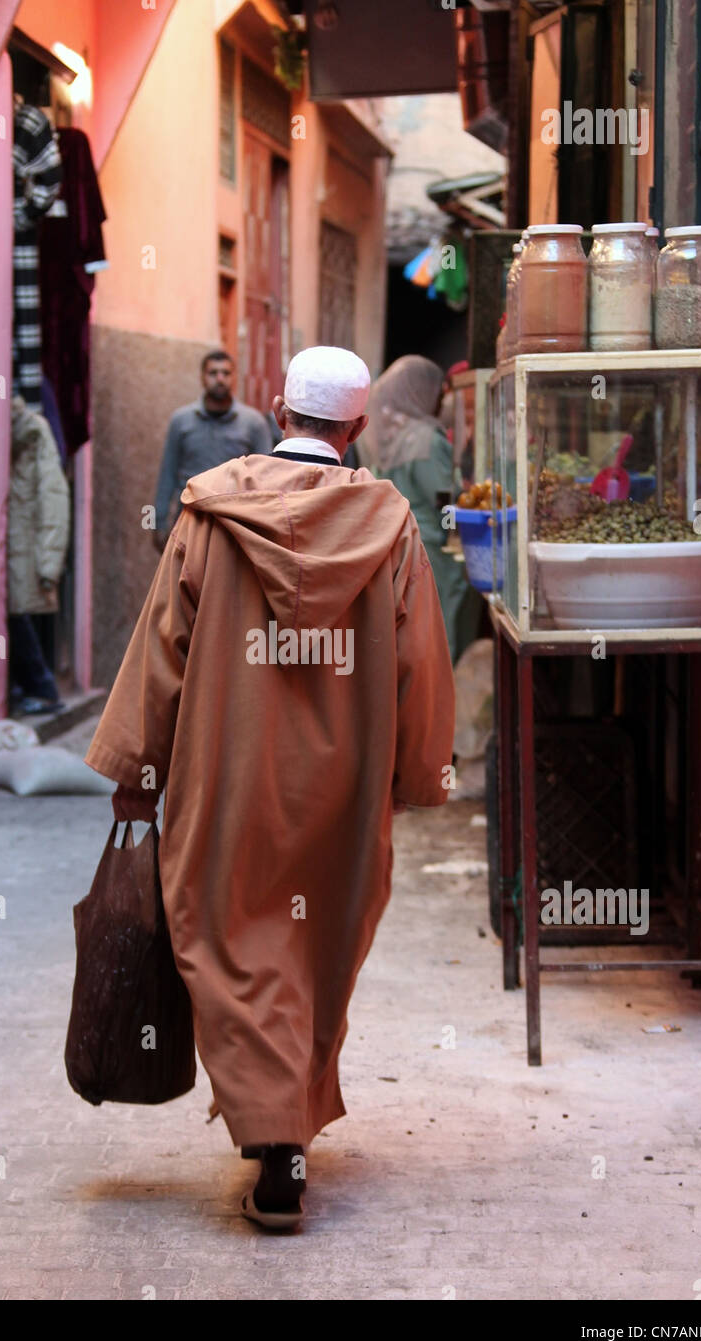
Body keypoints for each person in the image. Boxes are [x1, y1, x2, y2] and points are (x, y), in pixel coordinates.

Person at [85, 346, 455, 1231]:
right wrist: (411, 775)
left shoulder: (210, 516)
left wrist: (139, 775)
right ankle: (285, 1134)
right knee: (315, 949)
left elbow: (162, 648)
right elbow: (418, 664)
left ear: (278, 409)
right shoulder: (392, 526)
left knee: (236, 946)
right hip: (344, 794)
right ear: (358, 428)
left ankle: (273, 1136)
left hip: (228, 784)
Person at [368, 354, 482, 665]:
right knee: (442, 625)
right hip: (433, 549)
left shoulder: (393, 438)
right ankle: (442, 701)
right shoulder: (426, 440)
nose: (442, 401)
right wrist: (457, 537)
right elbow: (444, 499)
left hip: (400, 543)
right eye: (439, 393)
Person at [153, 350, 271, 549]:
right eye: (213, 373)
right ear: (202, 377)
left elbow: (267, 478)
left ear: (234, 377)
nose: (220, 379)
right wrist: (155, 523)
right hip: (189, 519)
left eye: (226, 373)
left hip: (234, 525)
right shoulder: (181, 420)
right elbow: (167, 474)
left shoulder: (254, 423)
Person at [8, 396, 70, 715]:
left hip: (25, 546)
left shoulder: (34, 431)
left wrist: (49, 561)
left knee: (19, 613)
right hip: (18, 545)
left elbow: (54, 497)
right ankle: (35, 688)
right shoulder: (12, 433)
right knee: (18, 613)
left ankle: (42, 688)